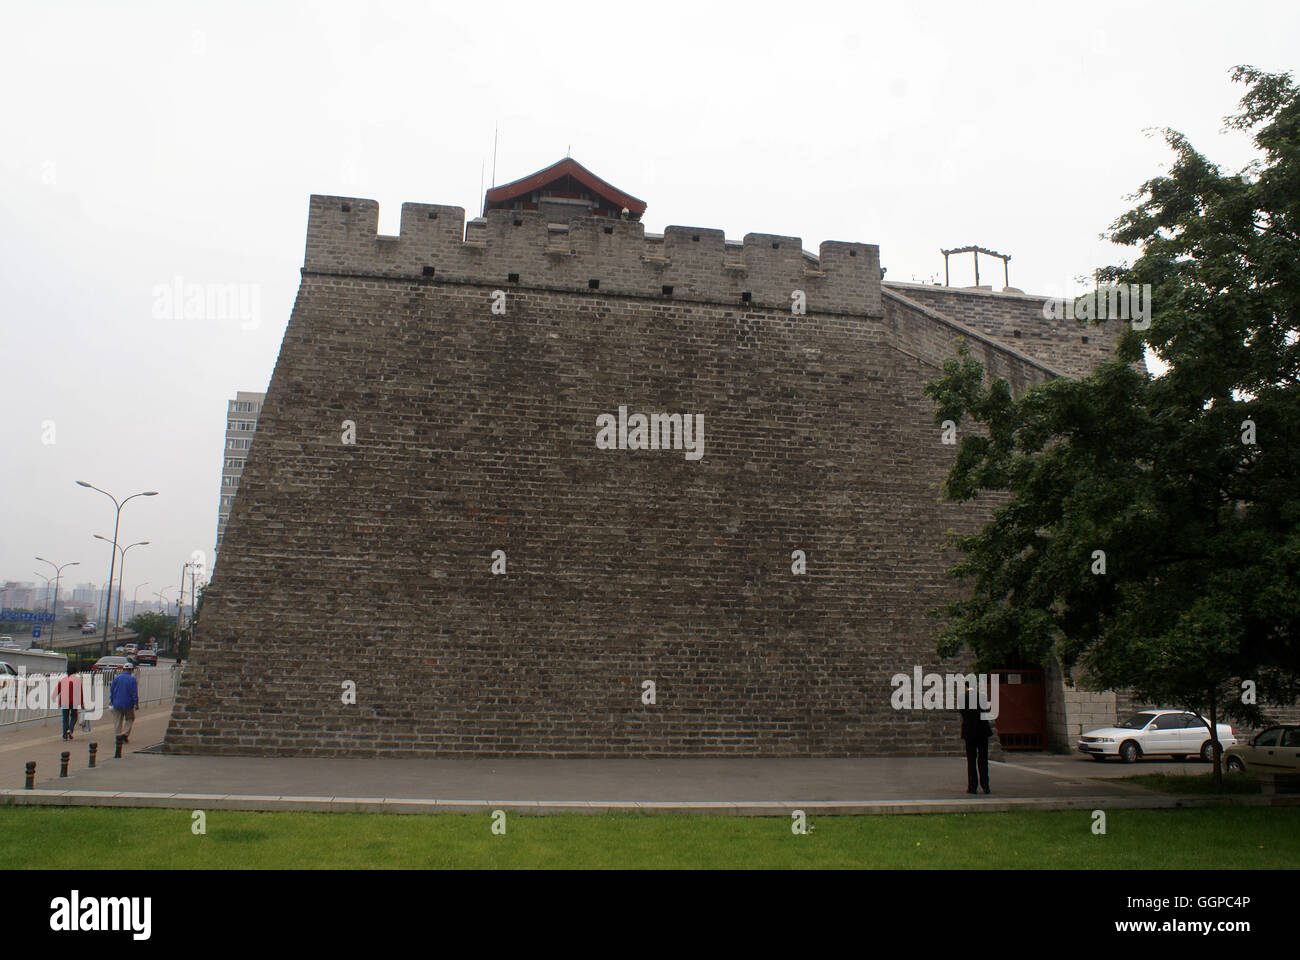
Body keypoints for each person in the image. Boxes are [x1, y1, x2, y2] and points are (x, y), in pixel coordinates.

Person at [959, 691, 992, 795]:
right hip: (982, 730)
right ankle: (985, 786)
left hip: (969, 732)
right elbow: (987, 709)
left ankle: (972, 787)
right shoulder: (982, 696)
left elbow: (962, 712)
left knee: (971, 761)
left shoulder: (962, 698)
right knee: (983, 760)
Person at [109, 662, 140, 744]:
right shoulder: (132, 680)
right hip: (128, 703)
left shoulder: (116, 678)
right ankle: (125, 733)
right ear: (132, 670)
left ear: (123, 669)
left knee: (117, 720)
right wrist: (136, 703)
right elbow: (134, 693)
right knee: (130, 718)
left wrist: (111, 700)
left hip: (117, 703)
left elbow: (112, 691)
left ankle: (118, 736)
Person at [55, 664, 83, 742]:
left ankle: (64, 736)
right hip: (74, 702)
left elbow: (57, 690)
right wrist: (82, 703)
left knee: (65, 719)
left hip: (64, 702)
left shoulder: (63, 680)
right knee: (74, 717)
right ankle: (70, 730)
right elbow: (79, 693)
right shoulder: (77, 680)